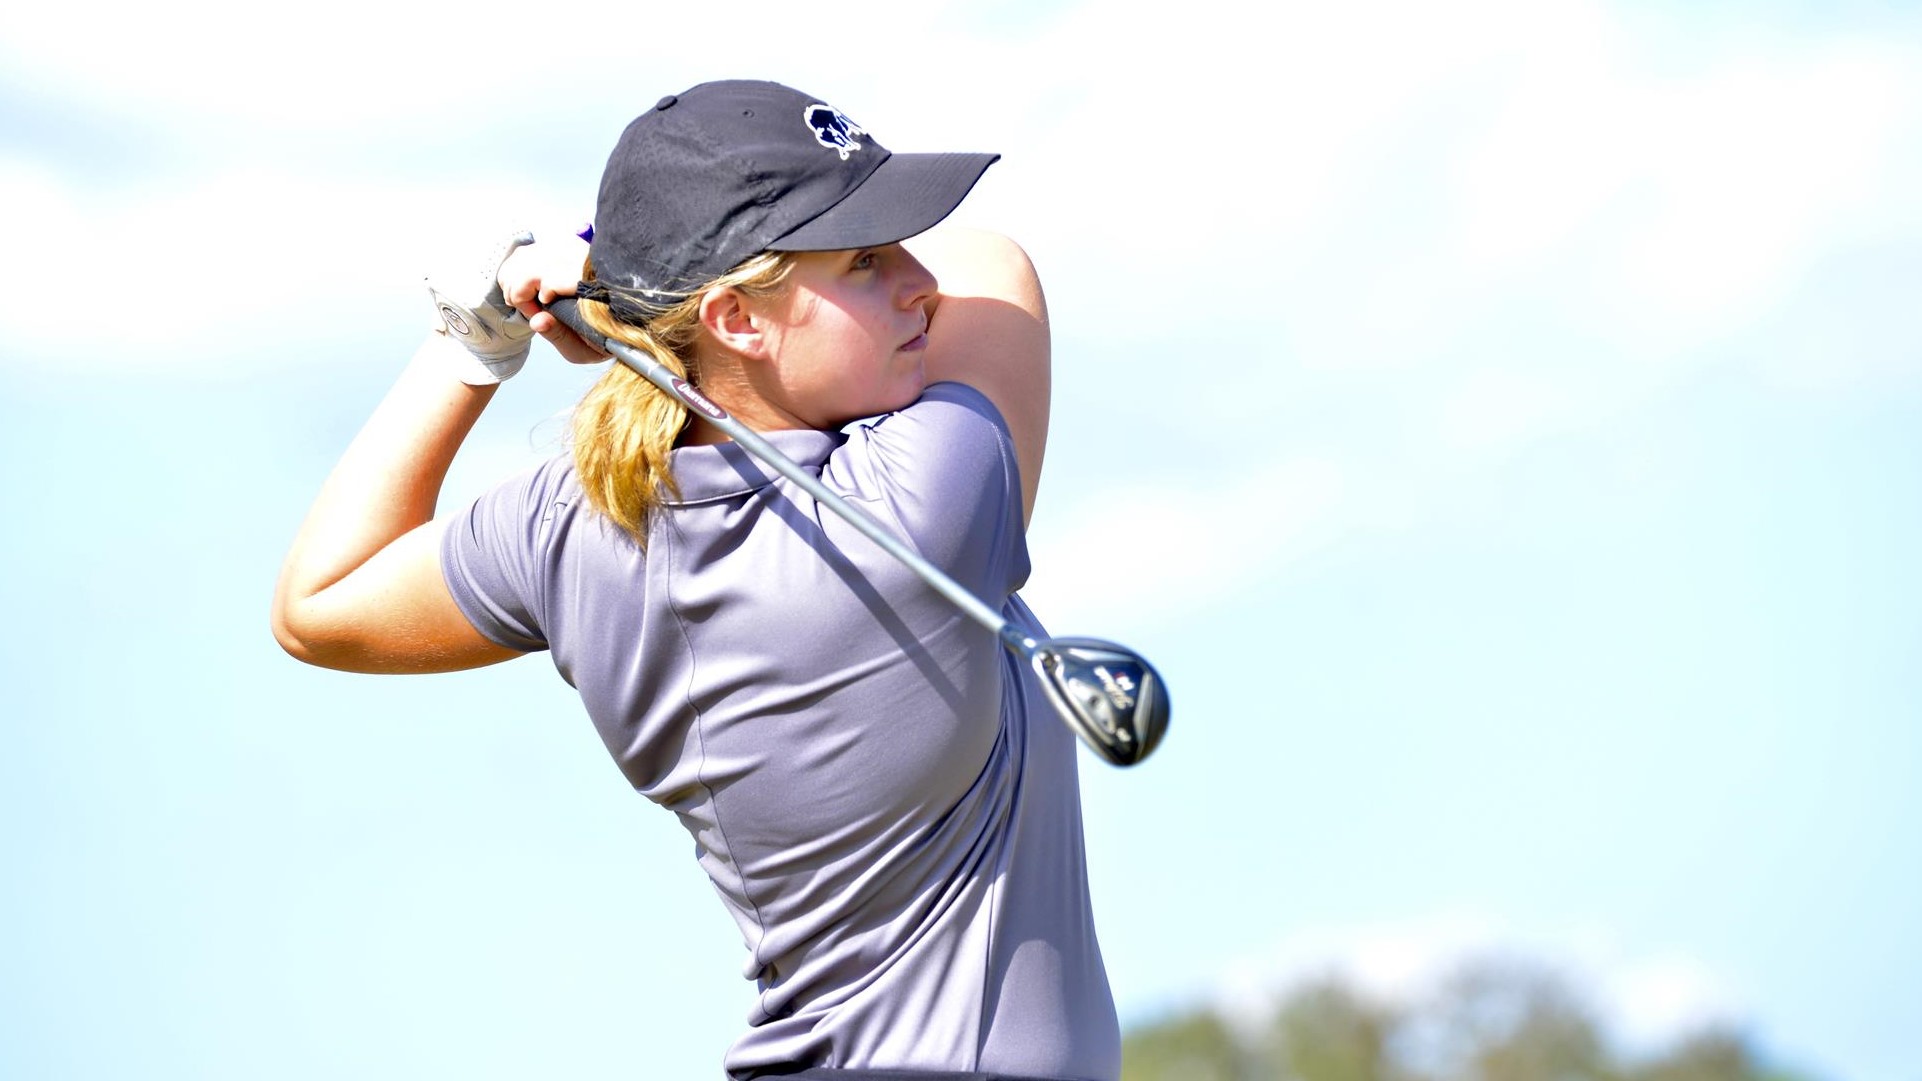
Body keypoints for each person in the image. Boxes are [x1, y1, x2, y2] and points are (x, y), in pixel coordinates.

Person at [271, 79, 1119, 1080]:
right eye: (863, 260)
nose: (917, 280)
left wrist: (477, 341)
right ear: (734, 320)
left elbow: (318, 604)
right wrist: (625, 300)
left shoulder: (577, 525)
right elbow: (996, 262)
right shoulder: (923, 500)